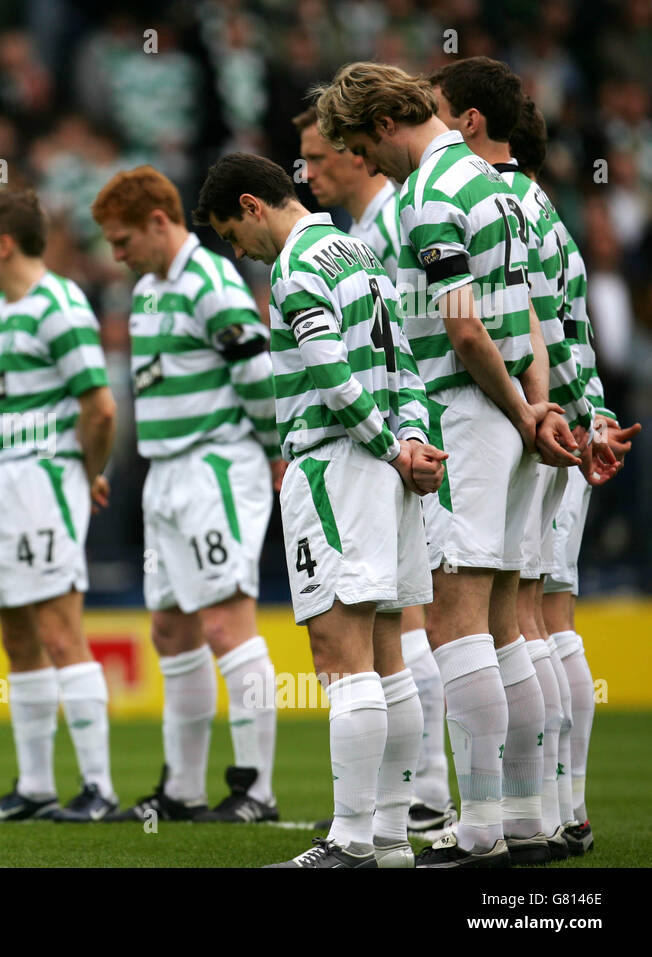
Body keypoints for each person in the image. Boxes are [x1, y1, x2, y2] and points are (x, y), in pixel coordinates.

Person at [314, 61, 585, 866]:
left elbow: (464, 330)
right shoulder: (497, 185)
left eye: (365, 146)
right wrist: (538, 406)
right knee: (510, 622)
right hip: (513, 410)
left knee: (457, 620)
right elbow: (530, 313)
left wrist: (511, 410)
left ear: (386, 127)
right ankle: (533, 821)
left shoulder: (430, 193)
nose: (371, 164)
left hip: (469, 409)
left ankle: (479, 833)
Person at [195, 153, 445, 867]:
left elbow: (333, 374)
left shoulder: (295, 266)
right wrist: (412, 442)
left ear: (251, 204)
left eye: (230, 235)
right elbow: (406, 369)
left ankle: (351, 840)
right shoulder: (359, 252)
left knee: (340, 655)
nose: (236, 253)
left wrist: (389, 450)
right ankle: (392, 838)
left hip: (337, 463)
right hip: (387, 467)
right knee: (389, 655)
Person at [90, 165, 285, 824]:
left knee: (227, 623)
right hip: (166, 473)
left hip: (216, 467)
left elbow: (257, 372)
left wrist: (275, 447)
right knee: (172, 629)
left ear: (157, 221)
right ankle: (183, 788)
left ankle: (256, 789)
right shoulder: (147, 291)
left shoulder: (211, 280)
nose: (117, 254)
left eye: (122, 240)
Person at [293, 104, 453, 837]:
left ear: (358, 153)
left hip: (406, 435)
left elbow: (430, 334)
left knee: (414, 622)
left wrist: (403, 440)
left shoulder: (391, 224)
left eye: (320, 156)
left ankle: (425, 796)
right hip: (412, 431)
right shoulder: (361, 236)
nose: (308, 171)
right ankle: (421, 804)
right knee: (409, 622)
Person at [0, 187, 120, 823]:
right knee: (17, 636)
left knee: (60, 630)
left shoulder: (60, 304)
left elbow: (100, 406)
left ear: (4, 244)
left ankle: (100, 790)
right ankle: (34, 788)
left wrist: (88, 470)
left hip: (40, 482)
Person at [508, 95, 641, 857]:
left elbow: (524, 328)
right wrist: (592, 415)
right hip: (570, 424)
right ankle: (567, 807)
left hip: (536, 428)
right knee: (551, 620)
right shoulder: (551, 219)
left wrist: (561, 415)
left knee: (520, 620)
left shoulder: (505, 212)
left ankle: (533, 813)